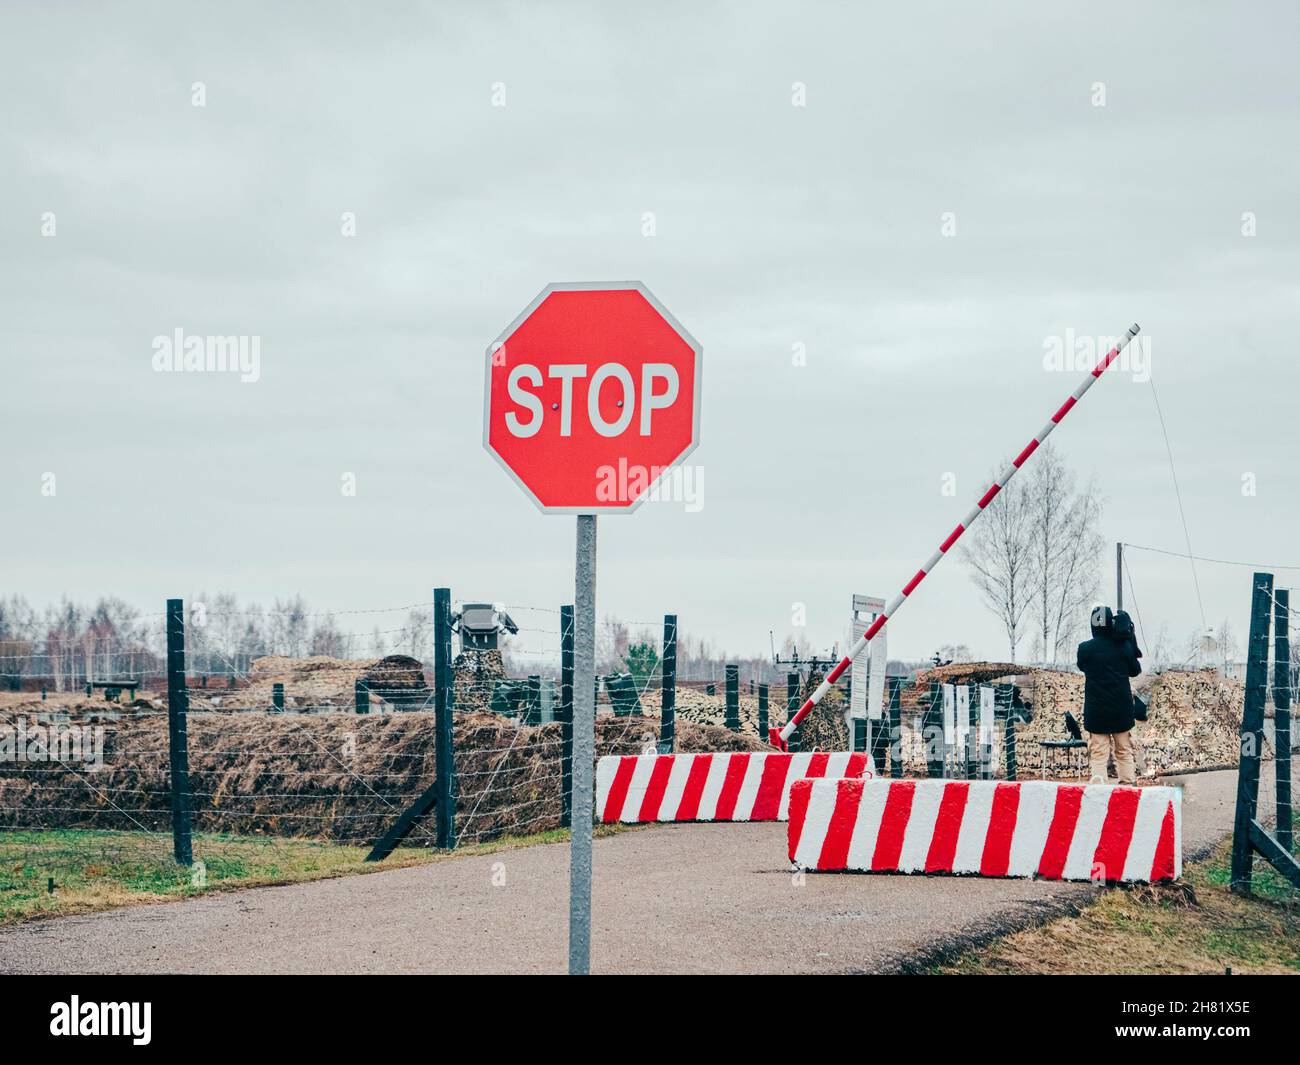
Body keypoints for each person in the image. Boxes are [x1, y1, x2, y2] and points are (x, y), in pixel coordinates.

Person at [1076, 604, 1142, 785]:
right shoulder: (1123, 646)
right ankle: (1128, 790)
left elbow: (1082, 666)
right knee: (1124, 752)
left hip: (1096, 711)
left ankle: (1099, 792)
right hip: (1121, 710)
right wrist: (1128, 639)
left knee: (1098, 755)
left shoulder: (1084, 649)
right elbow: (1135, 670)